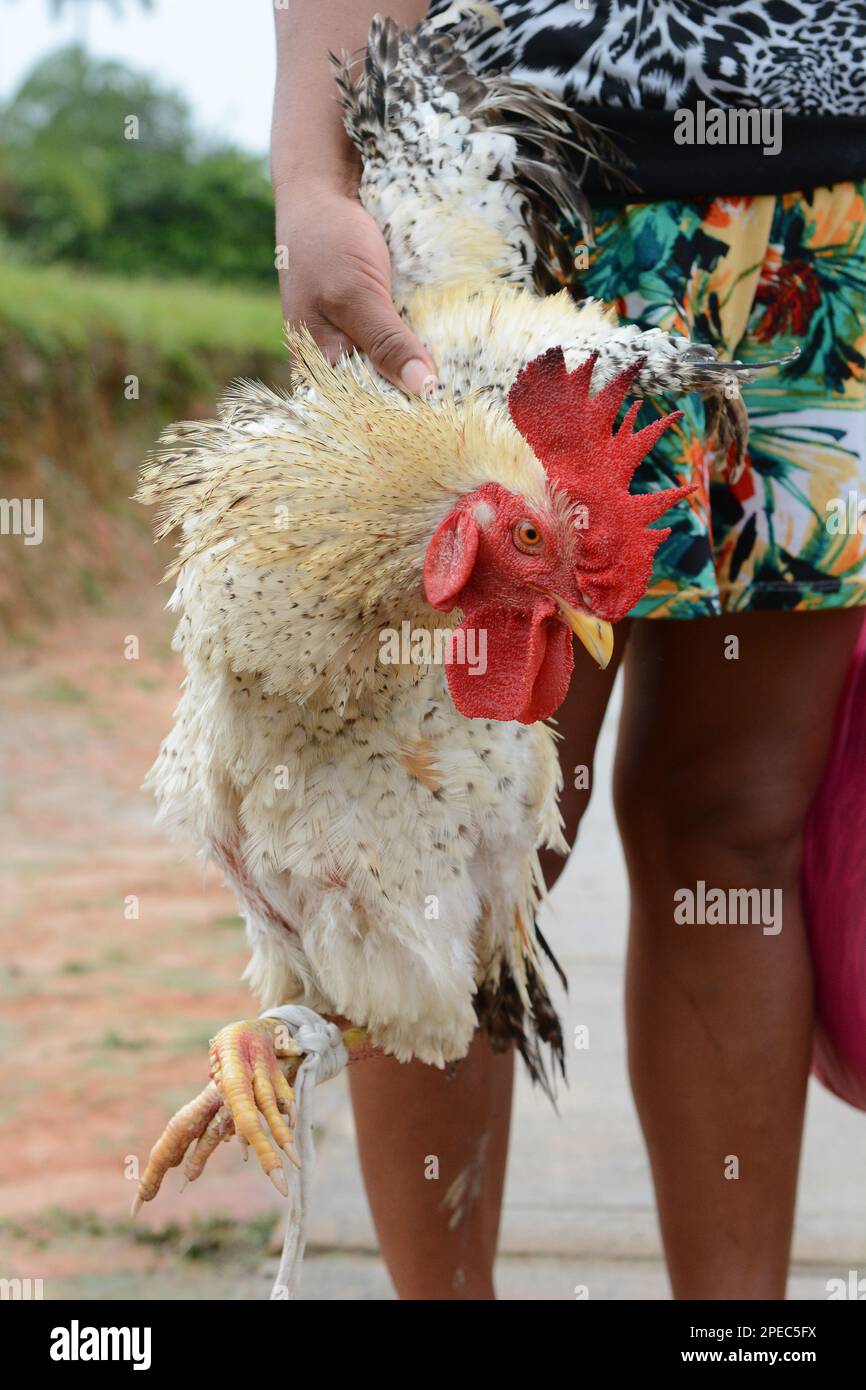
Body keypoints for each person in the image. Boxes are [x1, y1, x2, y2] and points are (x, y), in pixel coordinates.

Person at [271, 0, 866, 1299]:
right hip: (490, 198)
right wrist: (313, 173)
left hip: (824, 216)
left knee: (734, 829)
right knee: (455, 836)